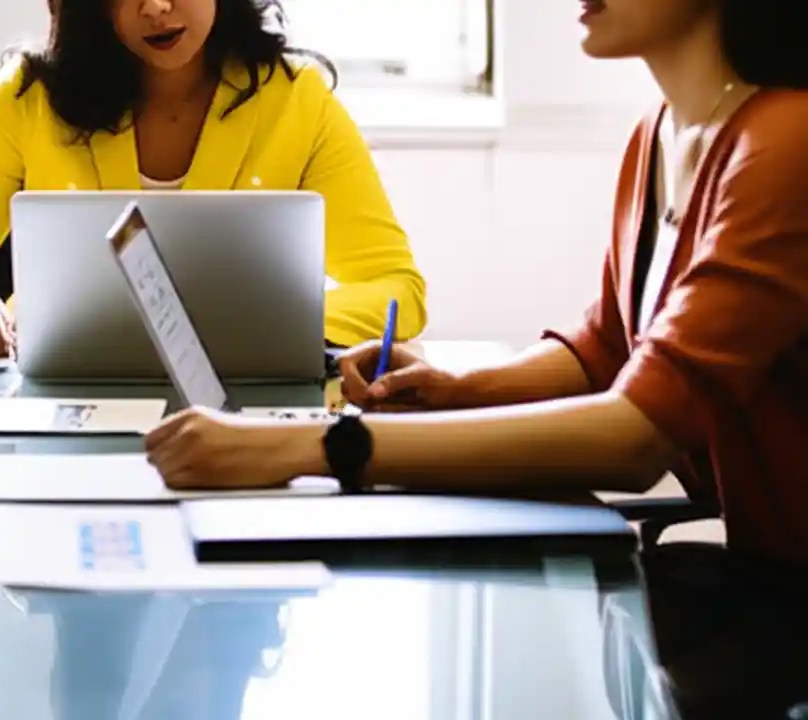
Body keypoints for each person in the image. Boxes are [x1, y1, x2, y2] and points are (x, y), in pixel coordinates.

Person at [147, 0, 808, 711]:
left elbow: (638, 436)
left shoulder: (786, 144)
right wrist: (448, 388)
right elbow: (608, 347)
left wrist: (306, 448)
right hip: (758, 582)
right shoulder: (659, 136)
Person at [0, 0, 427, 358]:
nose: (157, 7)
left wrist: (268, 326)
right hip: (58, 402)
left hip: (247, 409)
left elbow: (397, 289)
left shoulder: (296, 98)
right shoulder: (29, 98)